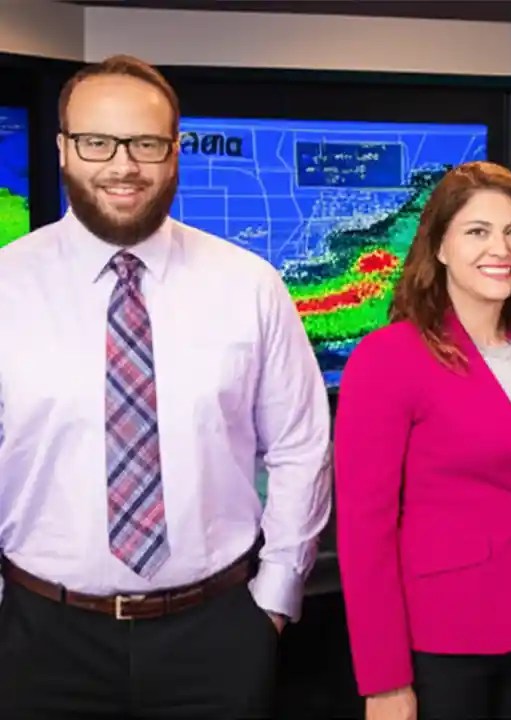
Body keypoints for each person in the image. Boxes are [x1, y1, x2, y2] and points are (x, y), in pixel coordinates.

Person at [0, 55, 332, 719]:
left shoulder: (250, 286)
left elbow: (301, 446)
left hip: (216, 636)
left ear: (175, 151)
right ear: (63, 149)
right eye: (97, 142)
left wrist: (274, 598)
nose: (122, 166)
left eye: (146, 144)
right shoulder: (7, 285)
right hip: (38, 639)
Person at [334, 160, 511, 720]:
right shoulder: (388, 359)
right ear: (440, 246)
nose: (501, 248)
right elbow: (365, 531)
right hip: (441, 645)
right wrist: (384, 680)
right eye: (477, 231)